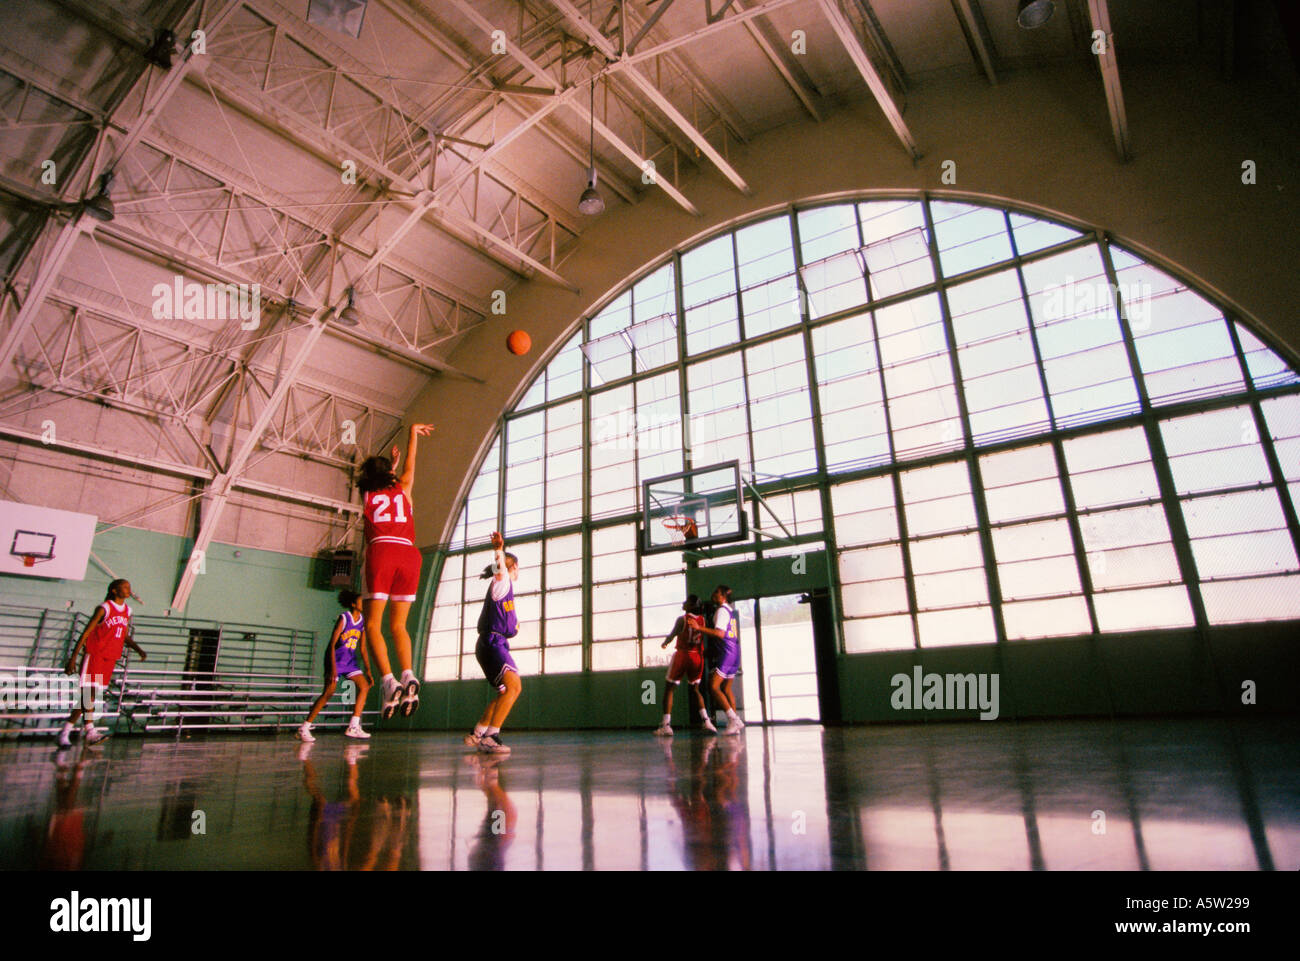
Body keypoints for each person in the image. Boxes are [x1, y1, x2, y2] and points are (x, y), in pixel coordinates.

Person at [359, 423, 434, 720]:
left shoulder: (367, 494)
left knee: (372, 625)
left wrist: (387, 466)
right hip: (409, 553)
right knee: (398, 626)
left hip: (382, 550)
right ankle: (408, 674)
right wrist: (412, 434)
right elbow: (410, 465)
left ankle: (389, 682)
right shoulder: (404, 487)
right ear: (390, 474)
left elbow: (377, 481)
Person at [58, 579, 146, 748]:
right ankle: (75, 731)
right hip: (96, 654)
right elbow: (86, 632)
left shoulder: (128, 610)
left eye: (129, 586)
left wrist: (138, 649)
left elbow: (124, 635)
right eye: (125, 586)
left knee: (90, 696)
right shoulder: (104, 608)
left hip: (110, 656)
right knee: (88, 695)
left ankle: (83, 731)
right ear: (114, 590)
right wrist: (73, 657)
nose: (129, 589)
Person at [464, 531, 521, 755]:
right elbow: (499, 571)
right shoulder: (503, 581)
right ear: (513, 566)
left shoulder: (505, 592)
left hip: (493, 643)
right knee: (515, 686)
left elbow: (506, 621)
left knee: (505, 689)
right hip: (492, 642)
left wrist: (513, 628)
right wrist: (499, 549)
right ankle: (490, 737)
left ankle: (477, 732)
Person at [298, 590, 372, 741]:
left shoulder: (363, 621)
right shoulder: (344, 618)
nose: (364, 603)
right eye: (361, 601)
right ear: (353, 604)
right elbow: (331, 644)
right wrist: (332, 668)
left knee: (364, 686)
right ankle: (304, 728)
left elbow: (363, 648)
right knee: (328, 694)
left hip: (350, 662)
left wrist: (369, 669)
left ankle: (353, 726)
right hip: (335, 661)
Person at [654, 594, 717, 736]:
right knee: (696, 690)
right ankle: (706, 721)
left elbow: (672, 635)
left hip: (683, 655)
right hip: (697, 656)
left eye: (687, 602)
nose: (684, 602)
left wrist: (665, 642)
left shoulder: (682, 620)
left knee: (669, 689)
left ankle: (666, 725)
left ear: (690, 606)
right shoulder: (702, 620)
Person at [697, 585, 744, 735]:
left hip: (727, 652)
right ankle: (735, 725)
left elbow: (719, 633)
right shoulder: (731, 611)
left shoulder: (722, 611)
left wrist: (699, 628)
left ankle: (733, 719)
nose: (713, 593)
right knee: (726, 689)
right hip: (735, 651)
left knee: (713, 687)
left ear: (723, 596)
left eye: (716, 592)